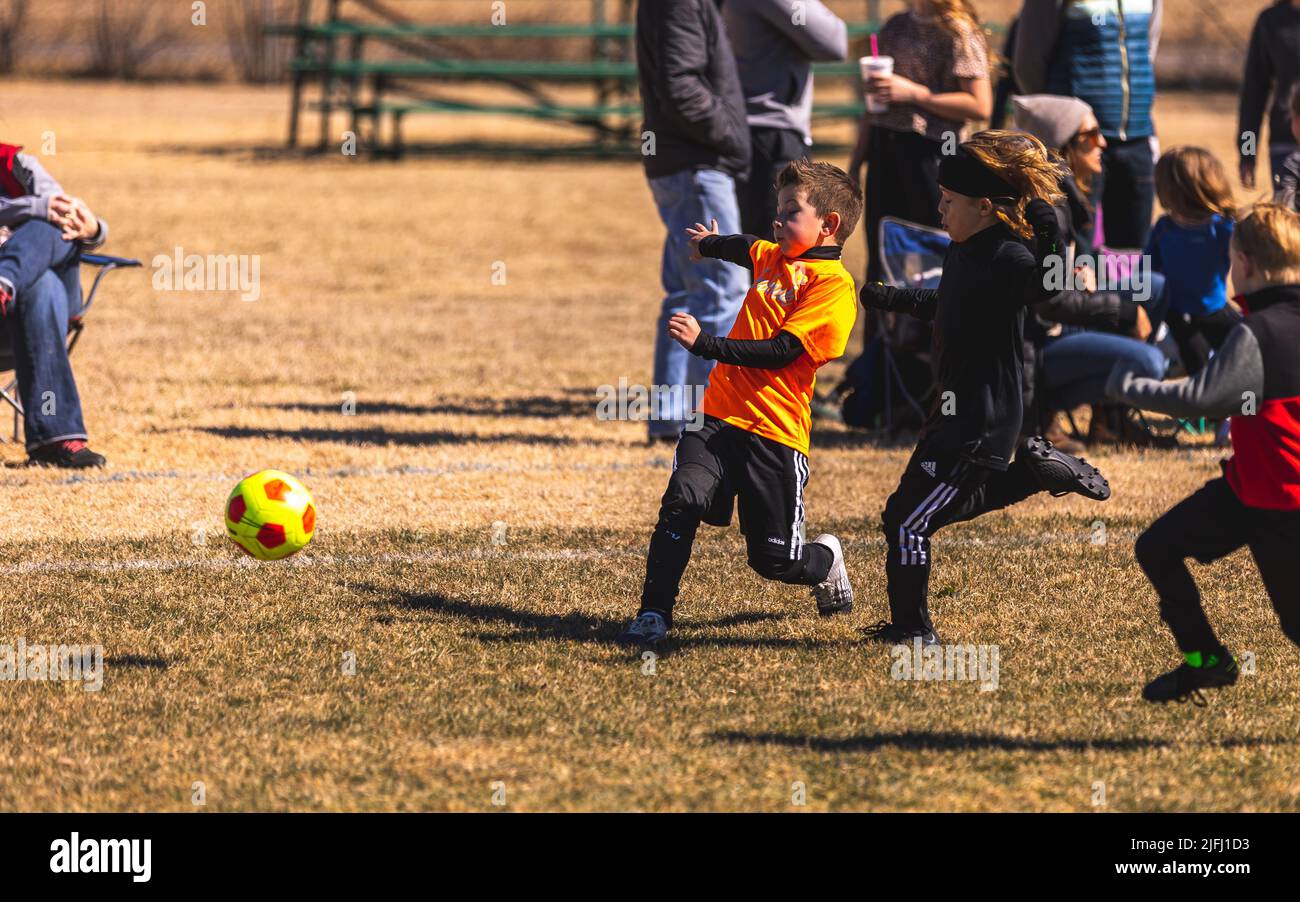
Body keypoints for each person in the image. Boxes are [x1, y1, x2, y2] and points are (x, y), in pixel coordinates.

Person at [860, 131, 1111, 646]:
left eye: (948, 202)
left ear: (984, 206)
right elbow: (951, 304)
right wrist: (895, 299)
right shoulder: (964, 248)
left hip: (981, 418)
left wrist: (1049, 235)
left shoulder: (1007, 257)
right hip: (953, 415)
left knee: (909, 522)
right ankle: (1035, 473)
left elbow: (1049, 286)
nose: (938, 208)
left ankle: (914, 632)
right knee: (904, 515)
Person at [619, 161, 862, 644]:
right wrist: (709, 243)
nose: (777, 220)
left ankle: (826, 561)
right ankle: (654, 612)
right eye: (778, 210)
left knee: (774, 561)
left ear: (828, 225)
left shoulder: (832, 288)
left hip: (774, 434)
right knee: (682, 498)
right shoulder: (775, 257)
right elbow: (744, 247)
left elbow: (780, 353)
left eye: (791, 211)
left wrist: (705, 344)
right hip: (717, 415)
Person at [1106, 203, 1300, 703]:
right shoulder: (1267, 323)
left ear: (1246, 262)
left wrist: (1131, 387)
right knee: (1158, 547)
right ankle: (1205, 660)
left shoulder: (1257, 331)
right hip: (1249, 489)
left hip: (1281, 504)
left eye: (1231, 258)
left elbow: (1202, 399)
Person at [1012, 94, 1170, 449]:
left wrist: (1077, 271)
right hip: (1035, 348)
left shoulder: (1062, 195)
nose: (1103, 142)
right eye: (1090, 135)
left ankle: (1108, 420)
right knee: (1151, 362)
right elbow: (1048, 301)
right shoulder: (1046, 209)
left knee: (1153, 287)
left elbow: (1050, 280)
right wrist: (1124, 311)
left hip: (1055, 324)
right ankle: (1045, 411)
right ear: (1061, 147)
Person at [636, 0, 752, 442]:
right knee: (720, 293)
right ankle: (707, 421)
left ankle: (672, 415)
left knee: (686, 292)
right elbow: (680, 85)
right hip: (697, 166)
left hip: (684, 162)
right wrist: (733, 134)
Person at [848, 0, 993, 283]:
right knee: (883, 258)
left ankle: (935, 324)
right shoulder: (895, 26)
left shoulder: (958, 31)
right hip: (885, 149)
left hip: (933, 153)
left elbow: (980, 105)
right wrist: (856, 162)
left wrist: (915, 94)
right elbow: (872, 109)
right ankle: (885, 325)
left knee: (934, 253)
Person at [1014, 0, 1162, 249]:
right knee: (1077, 246)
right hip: (1078, 142)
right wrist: (1067, 121)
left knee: (1131, 256)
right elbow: (1028, 64)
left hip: (1137, 136)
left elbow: (1147, 50)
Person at [0, 143, 109, 468]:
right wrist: (31, 209)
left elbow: (64, 211)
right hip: (21, 320)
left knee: (47, 227)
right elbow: (44, 207)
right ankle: (55, 438)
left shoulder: (14, 164)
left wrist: (94, 230)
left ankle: (4, 280)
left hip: (51, 308)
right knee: (41, 286)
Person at [722, 0, 848, 240]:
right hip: (772, 137)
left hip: (746, 130)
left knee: (755, 248)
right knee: (777, 251)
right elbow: (834, 42)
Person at [1147, 147, 1238, 376]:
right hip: (1179, 316)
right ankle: (1206, 412)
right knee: (1199, 371)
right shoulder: (1164, 228)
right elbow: (1147, 271)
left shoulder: (1222, 228)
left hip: (1215, 309)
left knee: (1244, 354)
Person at [1237, 0, 1300, 194]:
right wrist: (1247, 153)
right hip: (1284, 142)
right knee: (1286, 220)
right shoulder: (1270, 21)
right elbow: (1253, 94)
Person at [1273, 85, 1300, 212]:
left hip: (1279, 147)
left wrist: (1247, 157)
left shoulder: (1294, 164)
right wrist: (1248, 154)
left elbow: (1284, 214)